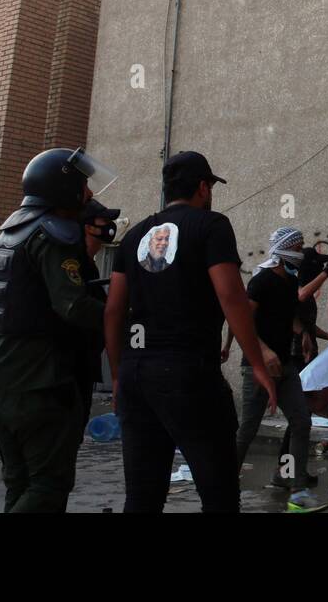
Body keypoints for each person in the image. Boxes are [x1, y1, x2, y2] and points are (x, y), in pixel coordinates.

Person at [105, 151, 275, 514]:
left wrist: (119, 375)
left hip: (137, 373)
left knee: (142, 496)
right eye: (210, 186)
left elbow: (114, 310)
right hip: (188, 372)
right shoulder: (211, 225)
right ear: (203, 187)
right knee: (219, 493)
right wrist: (258, 364)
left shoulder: (133, 235)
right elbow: (231, 296)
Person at [0, 146, 112, 512]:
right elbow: (73, 305)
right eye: (83, 185)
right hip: (38, 378)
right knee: (48, 485)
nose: (89, 194)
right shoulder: (54, 235)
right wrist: (125, 319)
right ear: (62, 187)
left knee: (19, 480)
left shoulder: (8, 234)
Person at [232, 226, 328, 513]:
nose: (302, 252)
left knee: (301, 421)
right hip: (258, 367)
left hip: (286, 366)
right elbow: (241, 321)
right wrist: (263, 352)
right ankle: (224, 486)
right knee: (248, 429)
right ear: (284, 249)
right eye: (299, 245)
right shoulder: (261, 280)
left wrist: (304, 334)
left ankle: (298, 489)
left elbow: (290, 316)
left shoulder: (290, 283)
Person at [74, 198, 118, 424]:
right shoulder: (74, 262)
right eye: (105, 220)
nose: (110, 225)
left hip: (84, 366)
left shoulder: (89, 264)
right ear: (88, 226)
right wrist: (117, 311)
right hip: (69, 369)